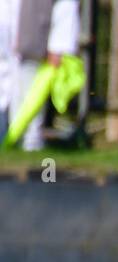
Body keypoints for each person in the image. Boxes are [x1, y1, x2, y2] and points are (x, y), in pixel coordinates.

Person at [0, 0, 78, 150]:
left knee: (28, 94)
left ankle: (29, 143)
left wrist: (59, 45)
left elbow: (65, 5)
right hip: (6, 36)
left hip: (32, 38)